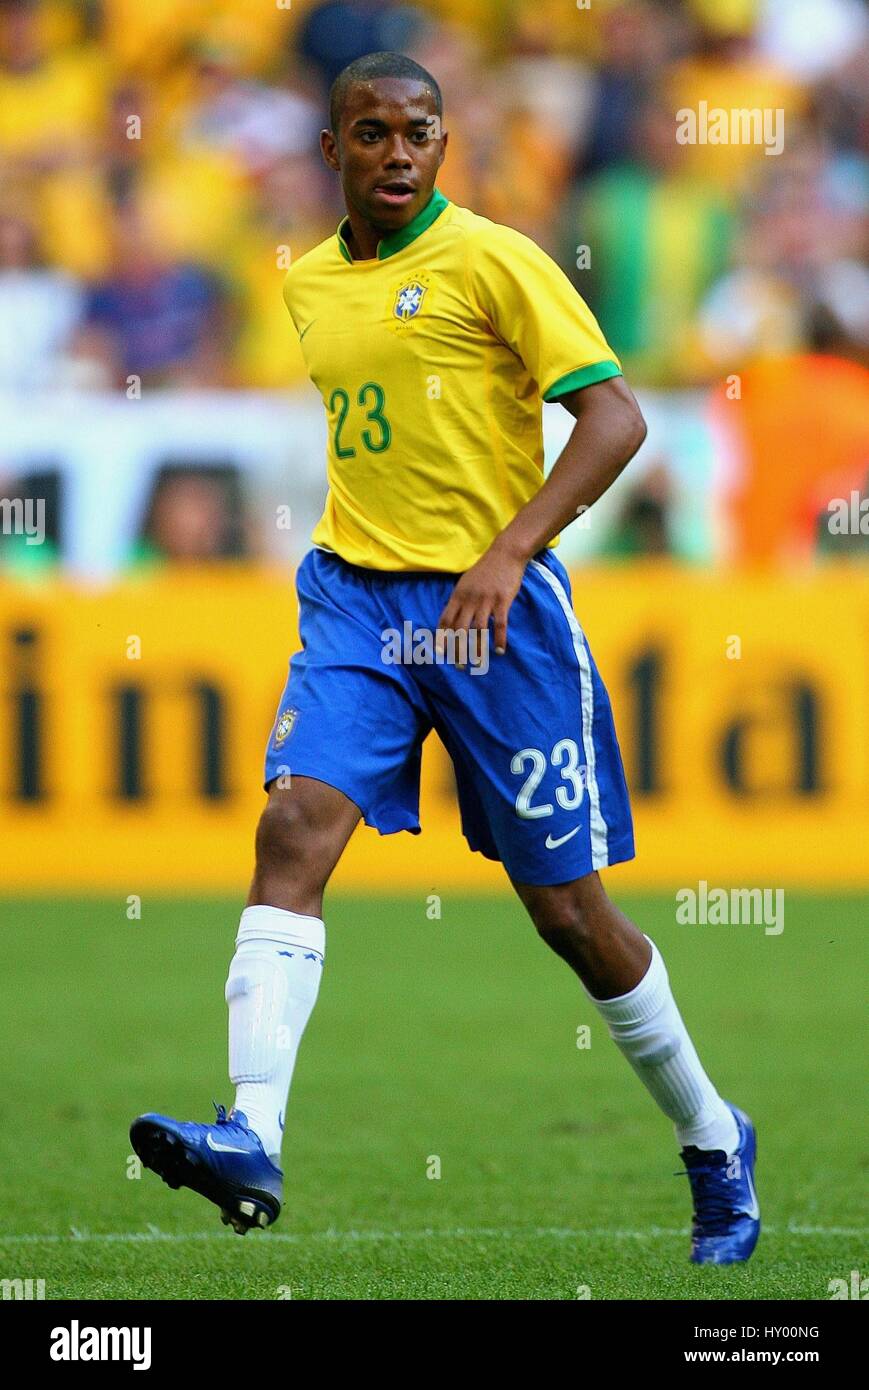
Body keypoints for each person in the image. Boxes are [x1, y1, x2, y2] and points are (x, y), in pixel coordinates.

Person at [131, 52, 759, 1265]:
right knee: (293, 829)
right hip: (358, 602)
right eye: (370, 132)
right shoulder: (309, 284)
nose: (398, 151)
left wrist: (509, 550)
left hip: (497, 616)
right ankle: (250, 1132)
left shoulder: (495, 259)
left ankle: (709, 1134)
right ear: (333, 151)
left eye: (418, 130)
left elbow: (616, 416)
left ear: (442, 140)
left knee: (569, 913)